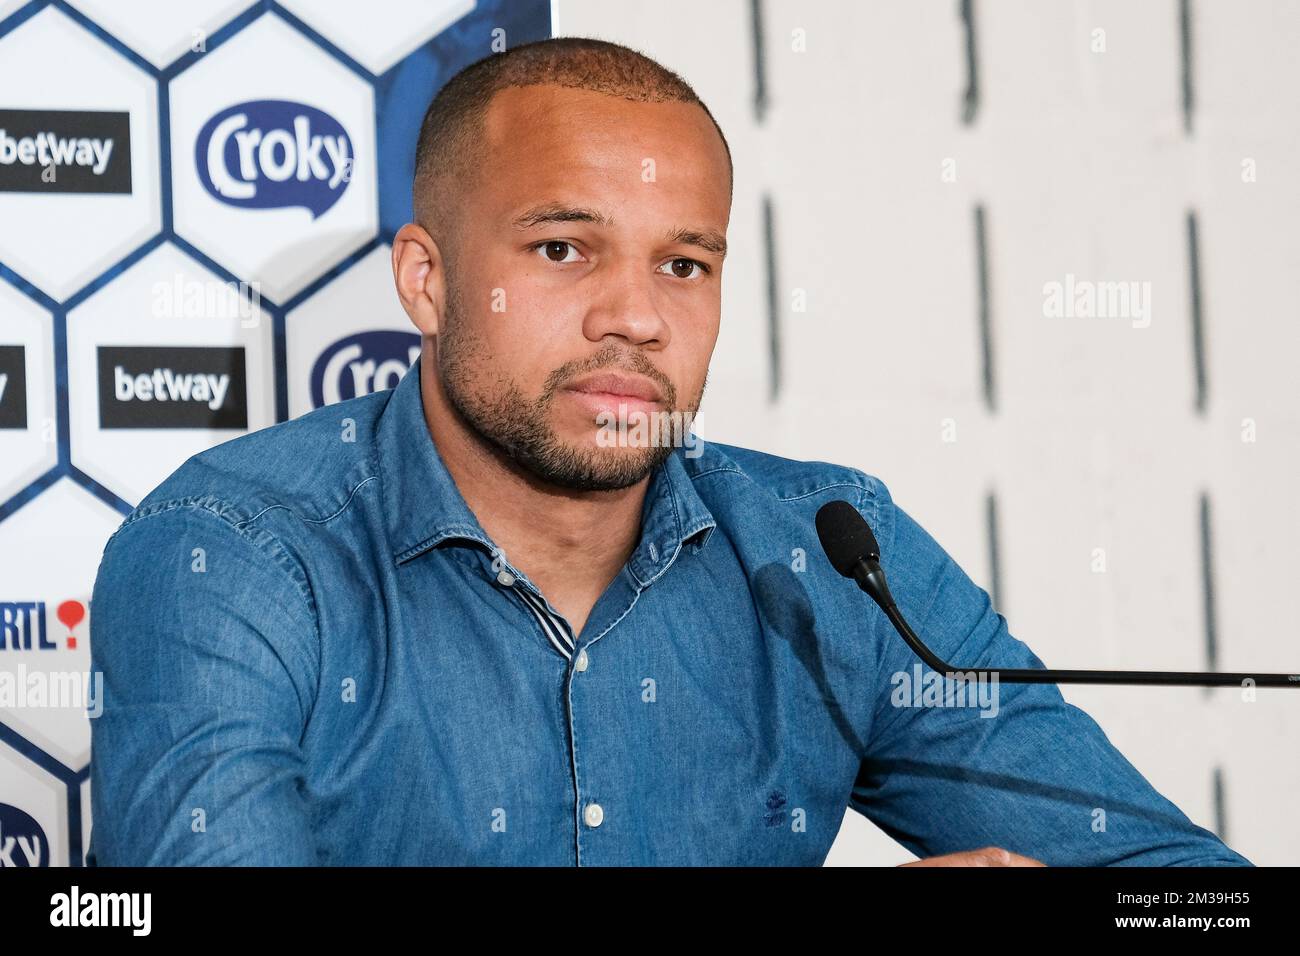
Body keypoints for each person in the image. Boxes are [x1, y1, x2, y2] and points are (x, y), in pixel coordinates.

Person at [87, 37, 1250, 866]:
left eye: (684, 264)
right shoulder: (230, 553)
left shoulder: (829, 555)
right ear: (426, 281)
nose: (635, 317)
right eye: (561, 249)